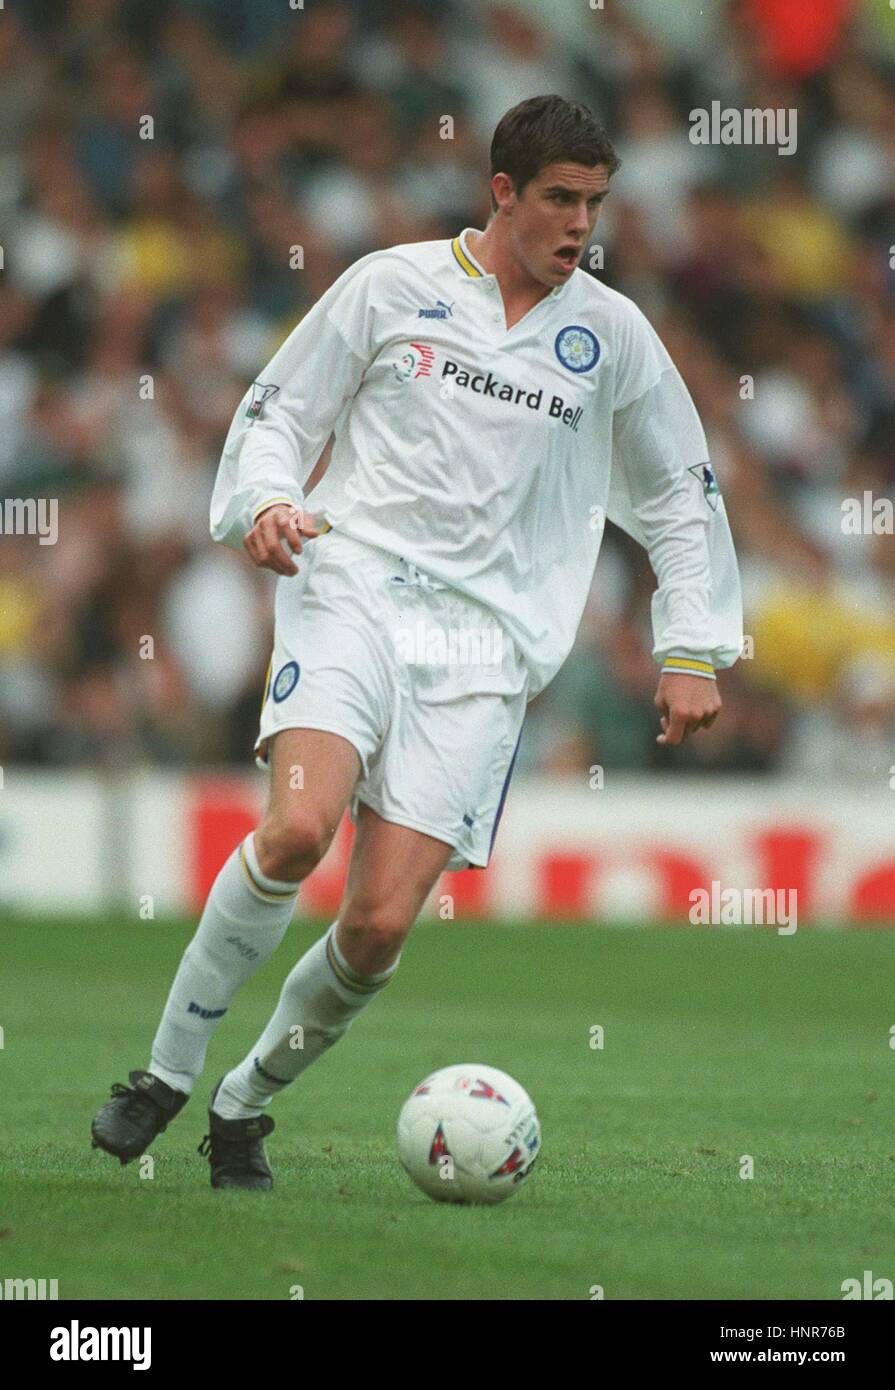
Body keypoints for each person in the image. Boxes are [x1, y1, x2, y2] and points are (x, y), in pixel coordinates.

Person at [91, 95, 742, 1189]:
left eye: (595, 202)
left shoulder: (612, 336)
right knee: (296, 830)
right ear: (501, 192)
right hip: (351, 586)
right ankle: (162, 1072)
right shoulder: (391, 285)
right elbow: (280, 414)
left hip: (486, 647)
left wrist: (691, 645)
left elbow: (680, 492)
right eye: (558, 199)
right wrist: (260, 502)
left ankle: (241, 1103)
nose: (581, 224)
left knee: (379, 923)